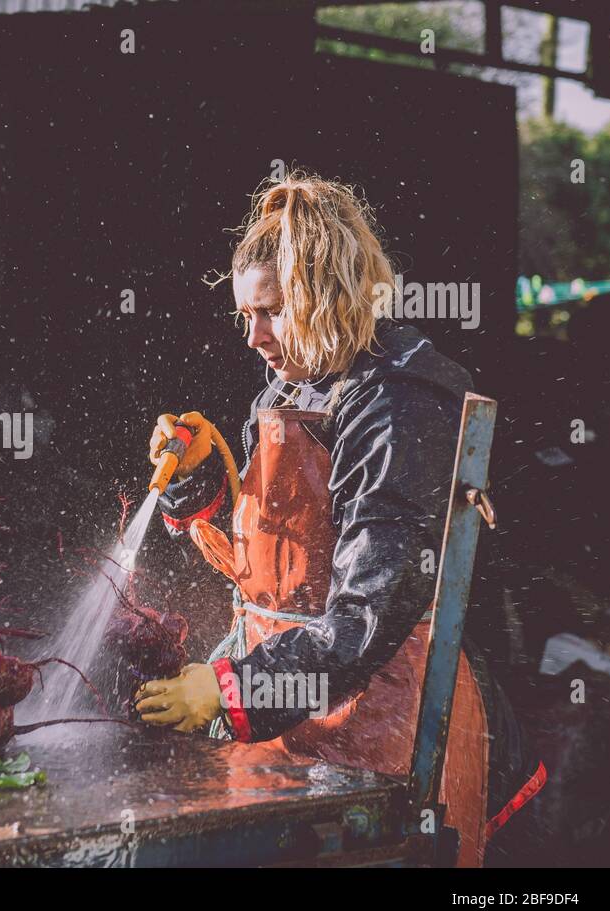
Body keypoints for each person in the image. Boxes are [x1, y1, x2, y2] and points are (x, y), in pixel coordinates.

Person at [133, 173, 545, 867]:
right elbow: (267, 569)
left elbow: (364, 616)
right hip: (295, 721)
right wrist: (200, 484)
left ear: (330, 293)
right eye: (245, 315)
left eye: (270, 311)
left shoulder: (397, 403)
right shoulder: (287, 388)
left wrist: (235, 688)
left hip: (386, 723)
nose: (253, 335)